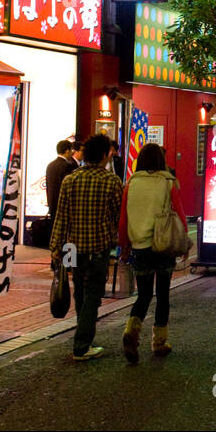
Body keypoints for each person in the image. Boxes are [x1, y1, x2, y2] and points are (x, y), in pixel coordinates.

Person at [50, 133, 123, 361]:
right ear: (103, 155)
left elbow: (61, 217)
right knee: (93, 293)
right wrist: (117, 240)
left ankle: (84, 336)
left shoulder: (70, 180)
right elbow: (116, 217)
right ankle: (81, 344)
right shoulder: (112, 181)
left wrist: (55, 247)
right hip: (97, 247)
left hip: (71, 248)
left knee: (79, 289)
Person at [118, 143, 186, 362]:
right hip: (163, 245)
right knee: (163, 294)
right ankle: (159, 342)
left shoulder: (131, 184)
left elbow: (123, 219)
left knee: (144, 294)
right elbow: (180, 213)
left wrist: (124, 246)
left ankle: (131, 330)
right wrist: (183, 240)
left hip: (139, 247)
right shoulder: (167, 182)